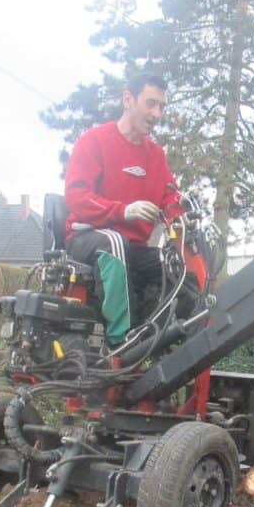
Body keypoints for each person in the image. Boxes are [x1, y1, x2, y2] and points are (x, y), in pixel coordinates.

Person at [64, 73, 184, 347]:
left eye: (162, 107)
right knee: (115, 243)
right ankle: (123, 344)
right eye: (151, 103)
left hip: (134, 249)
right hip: (87, 237)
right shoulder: (94, 141)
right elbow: (76, 196)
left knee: (174, 265)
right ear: (128, 99)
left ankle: (162, 340)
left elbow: (171, 198)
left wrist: (184, 220)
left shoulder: (156, 155)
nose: (157, 113)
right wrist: (122, 211)